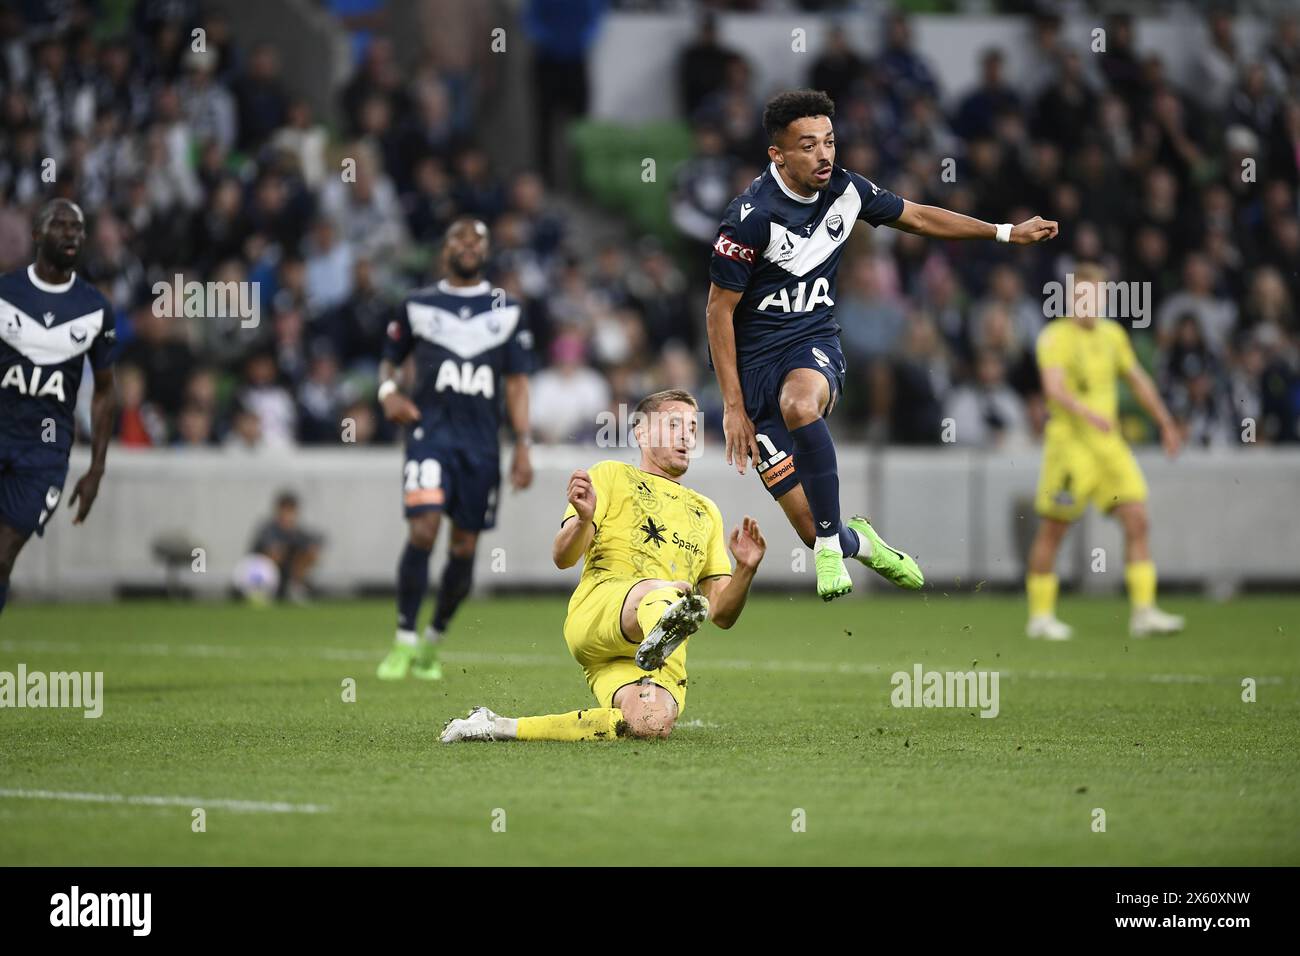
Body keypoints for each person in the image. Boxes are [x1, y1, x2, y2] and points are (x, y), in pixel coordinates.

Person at [706, 89, 1058, 600]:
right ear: (777, 155)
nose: (825, 154)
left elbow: (918, 217)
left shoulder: (848, 191)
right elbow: (719, 311)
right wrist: (734, 407)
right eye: (808, 146)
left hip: (811, 343)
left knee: (801, 404)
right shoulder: (749, 218)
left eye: (829, 141)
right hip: (755, 367)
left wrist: (1005, 232)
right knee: (809, 525)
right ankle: (860, 544)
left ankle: (830, 548)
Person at [440, 389, 765, 743]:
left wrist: (745, 570)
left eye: (692, 427)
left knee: (647, 726)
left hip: (652, 649)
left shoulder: (706, 512)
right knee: (665, 591)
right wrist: (582, 520)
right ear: (641, 433)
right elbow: (563, 557)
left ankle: (496, 725)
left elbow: (721, 614)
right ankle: (664, 621)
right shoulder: (609, 476)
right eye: (674, 424)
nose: (687, 435)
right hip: (601, 616)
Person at [376, 218, 534, 680]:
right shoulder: (417, 305)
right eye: (459, 239)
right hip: (430, 435)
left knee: (464, 545)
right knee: (423, 530)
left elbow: (518, 383)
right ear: (445, 249)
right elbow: (388, 359)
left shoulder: (507, 309)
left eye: (477, 240)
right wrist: (387, 393)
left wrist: (523, 445)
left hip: (482, 445)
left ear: (486, 250)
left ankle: (434, 639)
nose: (468, 246)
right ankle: (404, 638)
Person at [1026, 263, 1185, 640]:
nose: (1089, 303)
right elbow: (1054, 388)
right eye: (1082, 296)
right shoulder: (1054, 337)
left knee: (1137, 519)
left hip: (1109, 447)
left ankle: (1143, 612)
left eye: (1096, 296)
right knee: (1054, 530)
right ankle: (1040, 616)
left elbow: (1138, 379)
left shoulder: (1113, 335)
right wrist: (1087, 414)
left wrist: (1165, 422)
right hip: (1070, 449)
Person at [0, 199, 117, 616]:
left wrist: (97, 468)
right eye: (60, 225)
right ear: (36, 235)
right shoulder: (5, 293)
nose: (70, 233)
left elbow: (105, 391)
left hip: (44, 452)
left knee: (3, 555)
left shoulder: (96, 310)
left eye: (78, 227)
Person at [249, 490, 323, 603]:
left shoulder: (296, 531)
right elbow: (270, 550)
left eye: (291, 511)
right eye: (285, 510)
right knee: (276, 553)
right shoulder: (268, 529)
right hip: (260, 574)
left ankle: (296, 588)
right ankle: (266, 590)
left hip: (288, 573)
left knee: (310, 552)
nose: (288, 515)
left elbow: (314, 542)